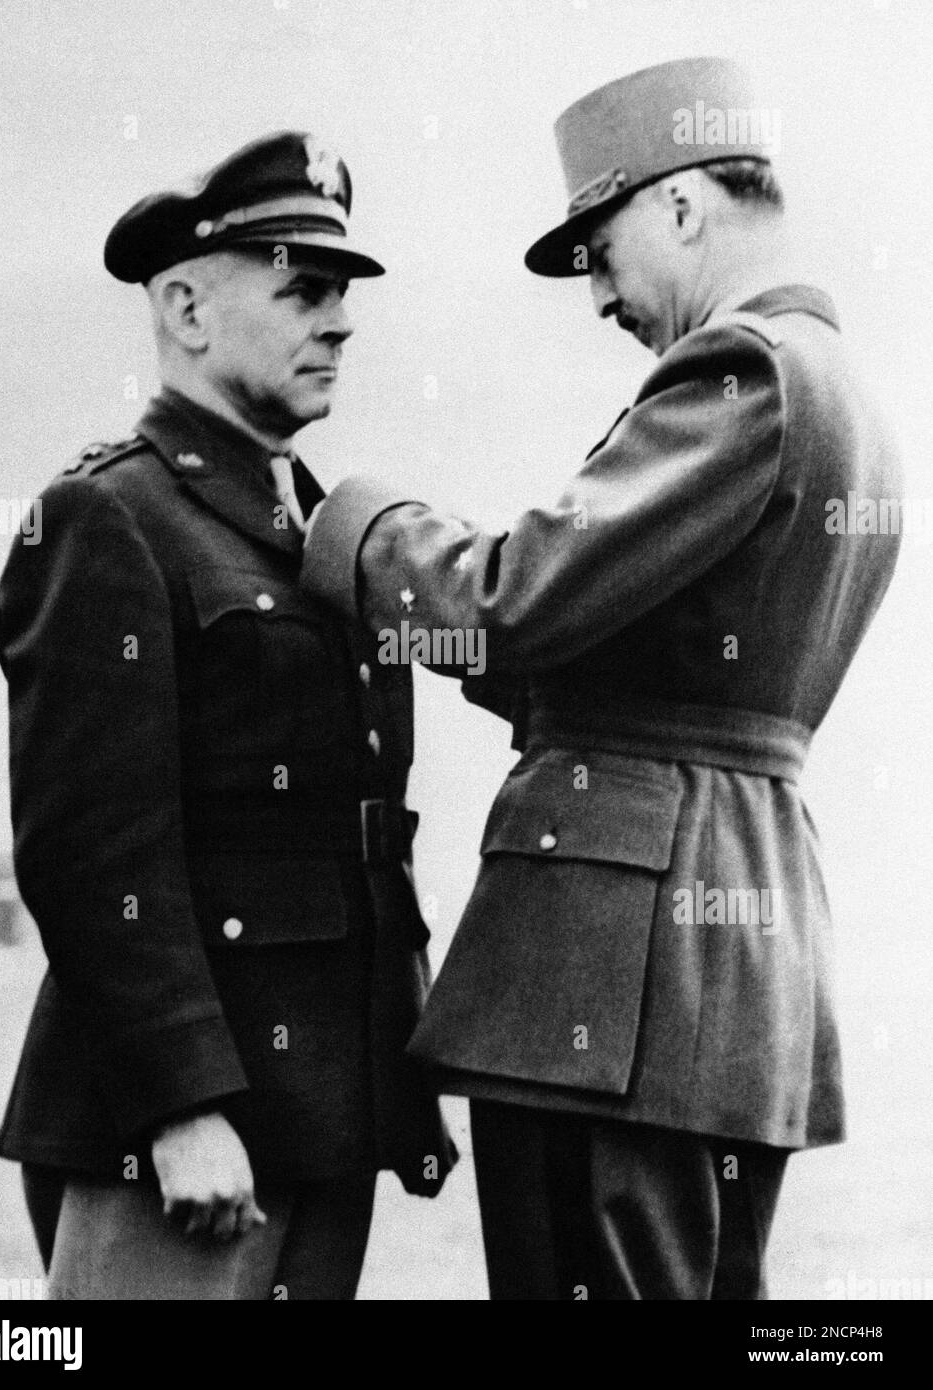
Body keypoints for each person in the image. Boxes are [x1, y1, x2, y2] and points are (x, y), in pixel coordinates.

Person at [300, 58, 903, 1299]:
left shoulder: (742, 370)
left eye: (601, 243)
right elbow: (628, 671)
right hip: (728, 969)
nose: (599, 296)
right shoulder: (849, 394)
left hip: (614, 978)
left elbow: (512, 598)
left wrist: (350, 524)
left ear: (683, 206)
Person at [0, 132, 455, 1301]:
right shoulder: (111, 519)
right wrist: (181, 1107)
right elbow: (95, 855)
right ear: (188, 309)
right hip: (185, 1136)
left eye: (344, 293)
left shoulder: (326, 529)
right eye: (305, 288)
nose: (341, 321)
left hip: (323, 1119)